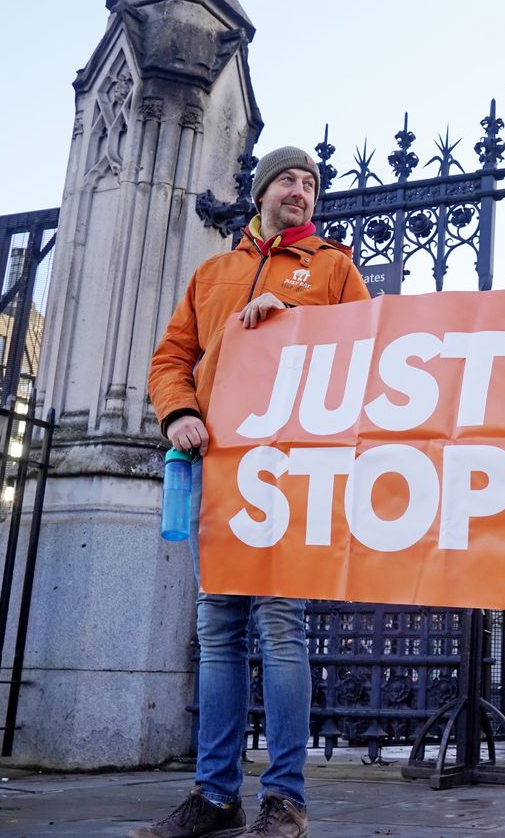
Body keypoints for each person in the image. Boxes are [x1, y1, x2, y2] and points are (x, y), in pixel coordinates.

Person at [136, 147, 369, 838]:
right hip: (219, 468)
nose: (301, 190)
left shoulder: (333, 268)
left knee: (279, 625)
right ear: (263, 192)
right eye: (289, 180)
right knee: (218, 630)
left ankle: (285, 799)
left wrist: (292, 321)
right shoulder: (214, 272)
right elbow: (170, 357)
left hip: (291, 471)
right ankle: (215, 797)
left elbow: (366, 353)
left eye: (310, 183)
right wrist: (178, 412)